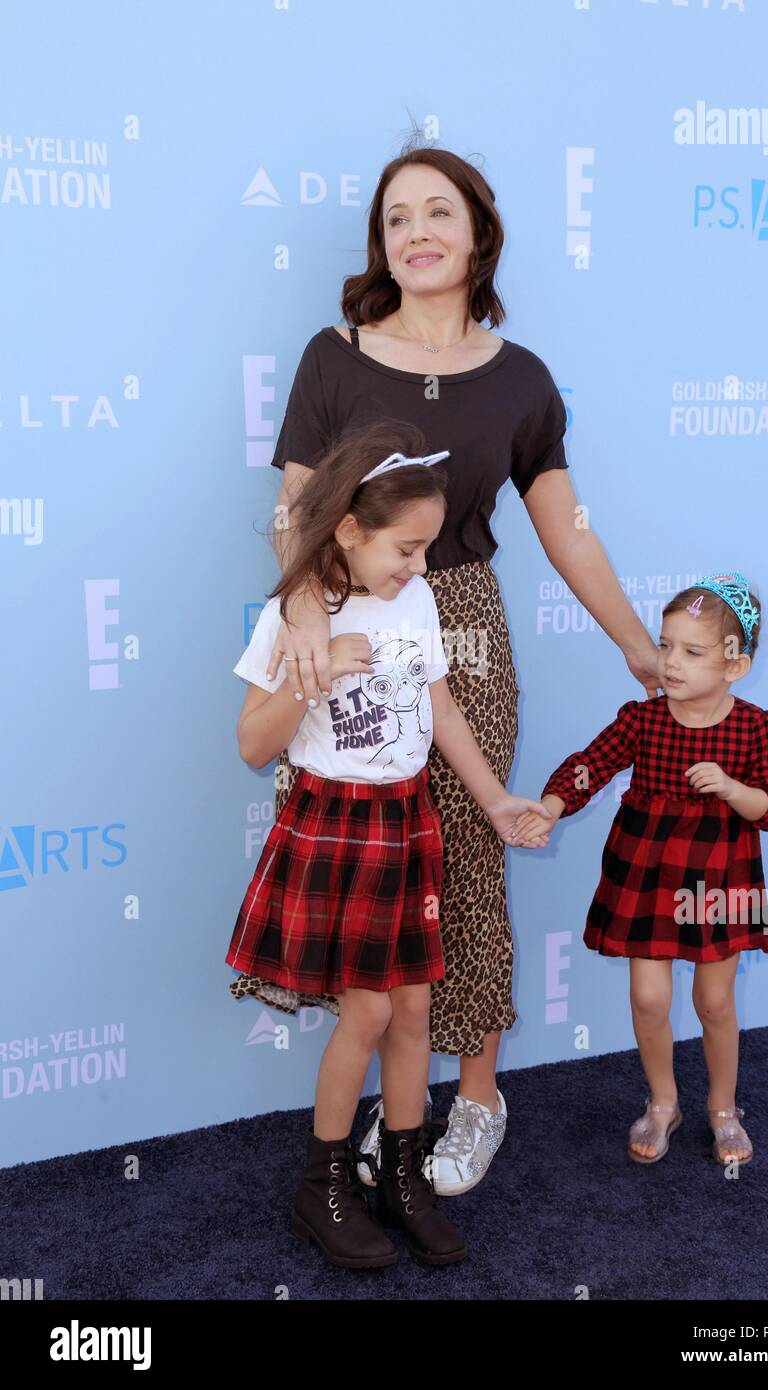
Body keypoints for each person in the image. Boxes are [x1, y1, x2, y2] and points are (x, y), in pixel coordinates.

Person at [246, 142, 661, 1197]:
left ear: (478, 234)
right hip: (331, 612)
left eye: (438, 213)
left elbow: (566, 531)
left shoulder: (520, 379)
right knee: (353, 855)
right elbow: (295, 511)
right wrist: (301, 616)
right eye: (396, 219)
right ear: (380, 243)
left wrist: (632, 642)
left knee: (467, 856)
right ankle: (375, 1129)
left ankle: (475, 1096)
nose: (416, 233)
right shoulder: (332, 355)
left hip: (459, 620)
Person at [226, 420, 551, 1269]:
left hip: (409, 818)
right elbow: (254, 744)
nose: (417, 565)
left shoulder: (416, 598)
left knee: (412, 1009)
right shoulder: (295, 614)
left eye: (427, 549)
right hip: (334, 822)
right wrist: (319, 666)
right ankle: (323, 1185)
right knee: (367, 1011)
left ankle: (402, 1176)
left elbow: (440, 709)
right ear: (347, 530)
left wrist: (495, 801)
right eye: (405, 548)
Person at [513, 573, 768, 1167]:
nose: (671, 662)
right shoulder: (643, 719)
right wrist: (554, 806)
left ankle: (723, 1107)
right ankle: (663, 1100)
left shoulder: (756, 726)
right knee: (646, 996)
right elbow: (591, 763)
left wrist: (732, 787)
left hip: (723, 874)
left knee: (715, 1003)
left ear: (734, 666)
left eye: (691, 652)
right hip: (647, 870)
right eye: (666, 645)